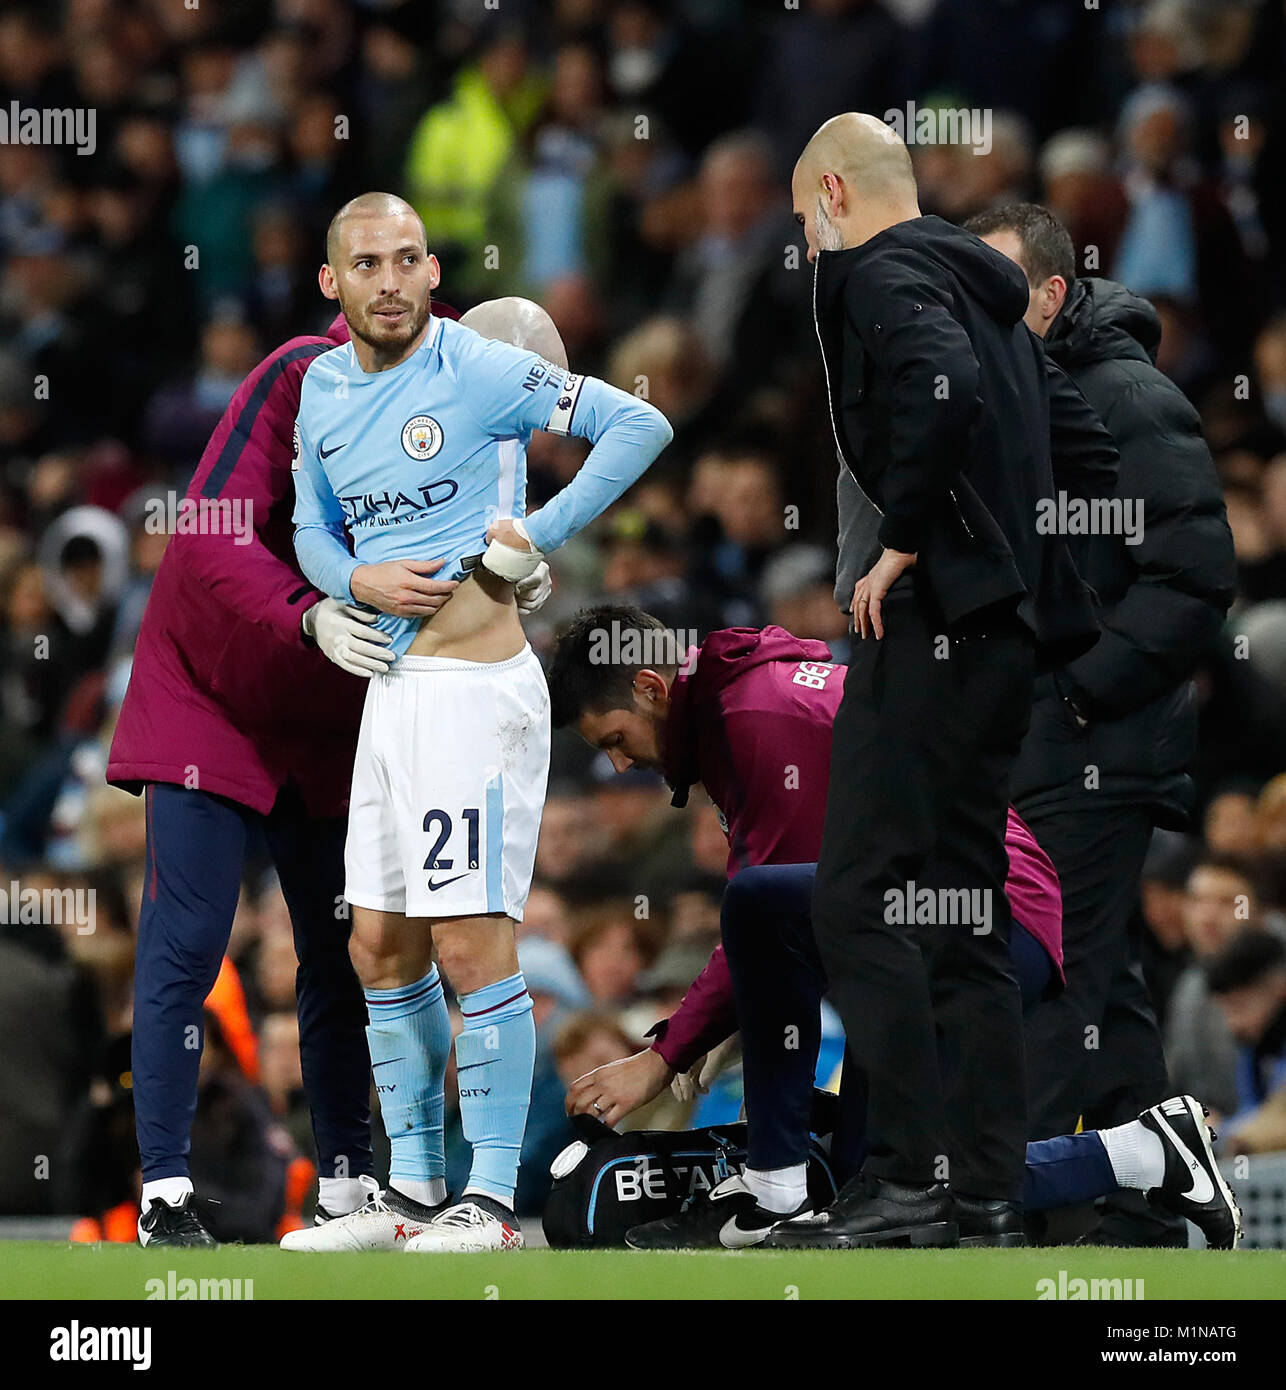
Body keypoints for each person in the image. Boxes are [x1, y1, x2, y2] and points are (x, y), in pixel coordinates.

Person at [547, 605, 1240, 1250]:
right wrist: (734, 1019)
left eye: (615, 739)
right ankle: (1147, 1151)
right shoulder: (749, 701)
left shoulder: (754, 719)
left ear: (649, 686)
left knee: (757, 904)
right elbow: (816, 913)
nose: (619, 763)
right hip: (939, 923)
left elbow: (768, 911)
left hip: (980, 920)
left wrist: (664, 1054)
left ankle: (775, 1185)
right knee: (882, 1181)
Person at [283, 192, 671, 1253]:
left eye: (409, 259)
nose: (393, 280)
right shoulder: (318, 389)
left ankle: (490, 1201)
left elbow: (637, 423)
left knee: (467, 937)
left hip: (474, 684)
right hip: (391, 691)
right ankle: (408, 1196)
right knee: (375, 941)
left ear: (431, 269)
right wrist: (345, 581)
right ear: (334, 283)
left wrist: (530, 538)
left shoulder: (477, 366)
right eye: (368, 263)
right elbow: (306, 525)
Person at [785, 113, 1118, 1248]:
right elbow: (1084, 449)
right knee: (961, 913)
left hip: (928, 625)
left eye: (800, 222)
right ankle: (983, 1190)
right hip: (1001, 639)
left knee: (854, 893)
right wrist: (1018, 565)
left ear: (830, 193)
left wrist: (908, 537)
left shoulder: (880, 273)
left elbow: (937, 387)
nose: (807, 247)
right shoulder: (992, 296)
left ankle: (907, 1171)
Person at [968, 202, 1236, 1245]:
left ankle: (1018, 1222)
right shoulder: (1006, 395)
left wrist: (1077, 691)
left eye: (993, 287)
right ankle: (1157, 1203)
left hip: (1096, 743)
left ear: (1046, 291)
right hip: (1039, 740)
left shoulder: (1126, 396)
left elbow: (1193, 575)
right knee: (1100, 981)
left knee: (1043, 975)